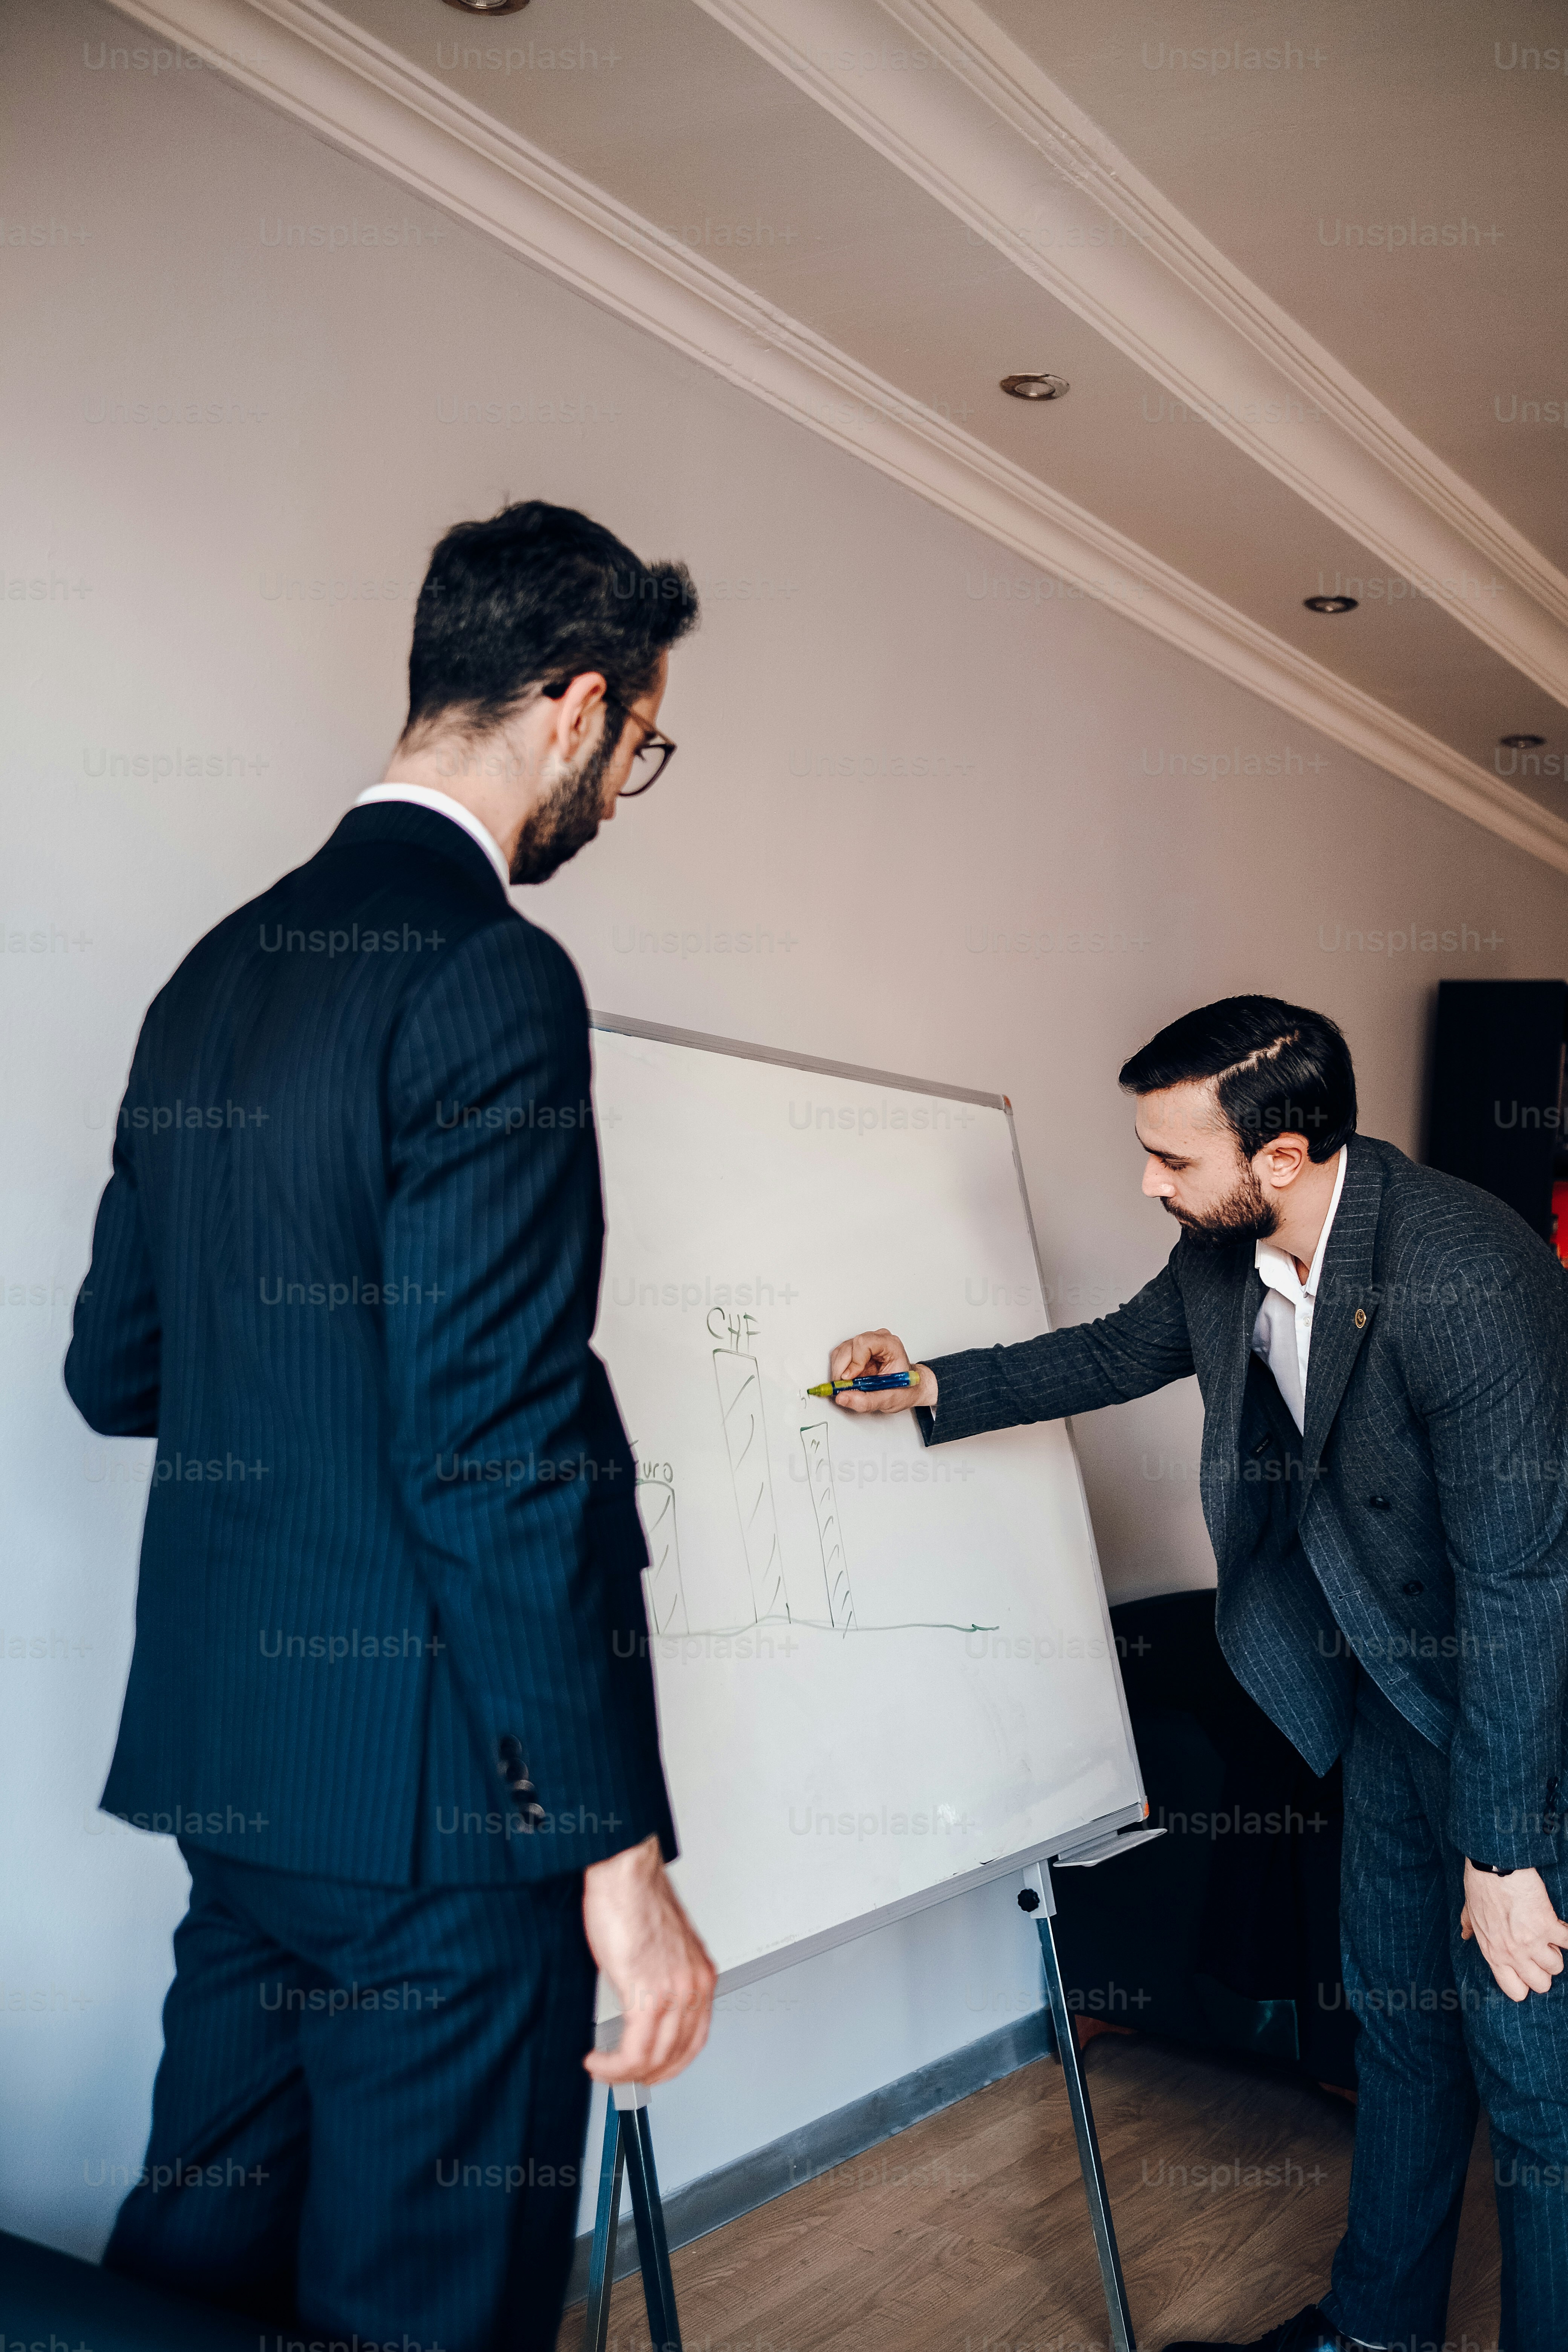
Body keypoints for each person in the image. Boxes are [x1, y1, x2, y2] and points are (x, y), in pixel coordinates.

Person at [64, 499, 717, 2352]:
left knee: (200, 2259)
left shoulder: (210, 978)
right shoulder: (488, 975)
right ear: (580, 710)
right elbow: (491, 1443)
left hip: (237, 1769)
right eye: (642, 747)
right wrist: (619, 1862)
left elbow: (117, 1370)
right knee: (423, 2304)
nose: (620, 784)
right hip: (441, 1817)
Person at [828, 995, 1568, 2352]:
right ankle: (1378, 2329)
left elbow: (1527, 1583)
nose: (1149, 1182)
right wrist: (928, 1381)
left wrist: (1508, 1850)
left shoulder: (1469, 1273)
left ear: (1279, 1157)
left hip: (1533, 1717)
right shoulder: (1227, 1258)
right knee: (1401, 2039)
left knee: (1536, 2087)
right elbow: (1115, 1352)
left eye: (1173, 1159)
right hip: (1393, 1703)